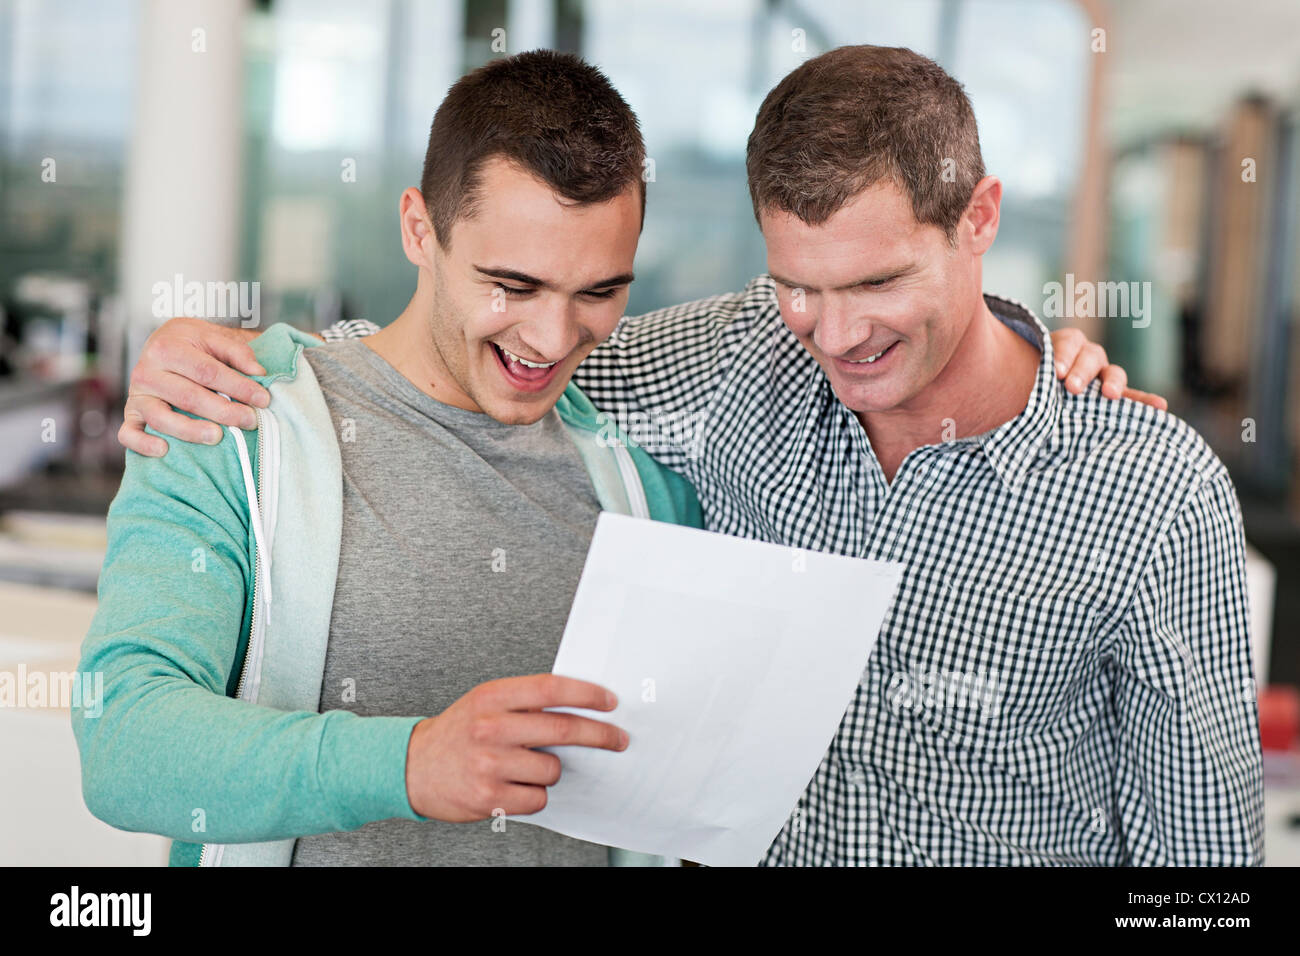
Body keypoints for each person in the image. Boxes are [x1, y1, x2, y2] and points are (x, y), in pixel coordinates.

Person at [121, 47, 1255, 867]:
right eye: (797, 285)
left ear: (980, 221)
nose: (839, 333)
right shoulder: (731, 369)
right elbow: (482, 363)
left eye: (877, 282)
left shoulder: (1145, 490)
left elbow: (1201, 875)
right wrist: (229, 353)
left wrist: (1056, 349)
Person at [73, 51, 700, 867]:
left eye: (599, 292)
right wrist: (410, 763)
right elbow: (124, 739)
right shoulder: (231, 420)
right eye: (512, 284)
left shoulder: (645, 486)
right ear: (418, 228)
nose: (552, 339)